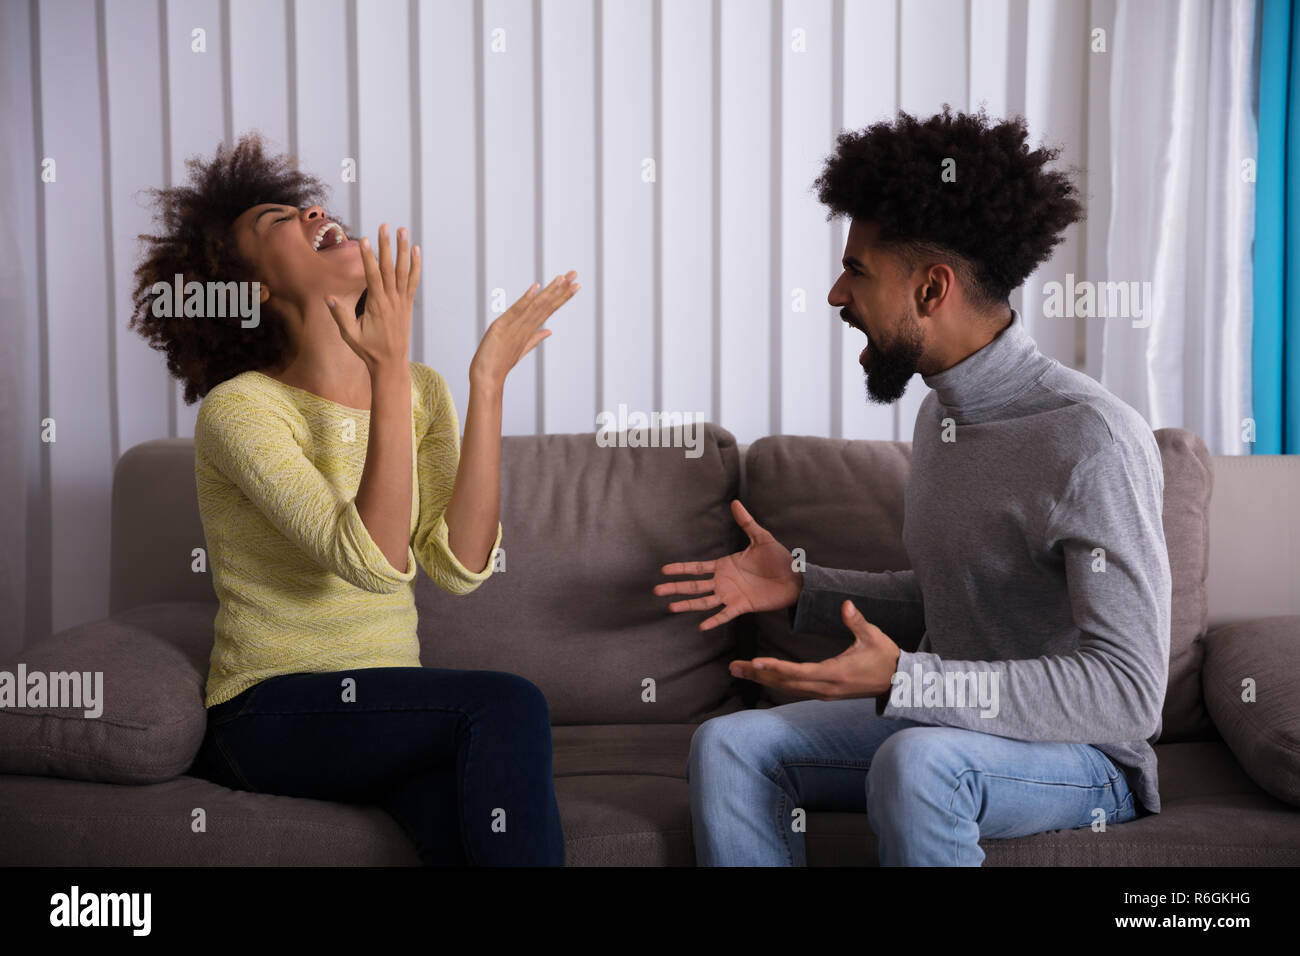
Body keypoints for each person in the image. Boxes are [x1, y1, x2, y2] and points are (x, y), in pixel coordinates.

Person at [657, 106, 1171, 866]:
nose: (836, 294)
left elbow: (1127, 692)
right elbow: (959, 598)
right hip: (951, 732)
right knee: (730, 745)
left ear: (932, 289)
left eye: (858, 269)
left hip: (1084, 759)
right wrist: (804, 587)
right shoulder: (942, 415)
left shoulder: (1092, 438)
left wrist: (911, 679)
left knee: (918, 762)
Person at [129, 132, 578, 865]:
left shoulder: (423, 389)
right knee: (509, 702)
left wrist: (486, 385)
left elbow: (459, 567)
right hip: (269, 715)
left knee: (471, 836)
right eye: (279, 221)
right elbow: (368, 559)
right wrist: (390, 367)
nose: (312, 213)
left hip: (384, 706)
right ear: (256, 291)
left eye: (307, 206)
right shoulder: (241, 410)